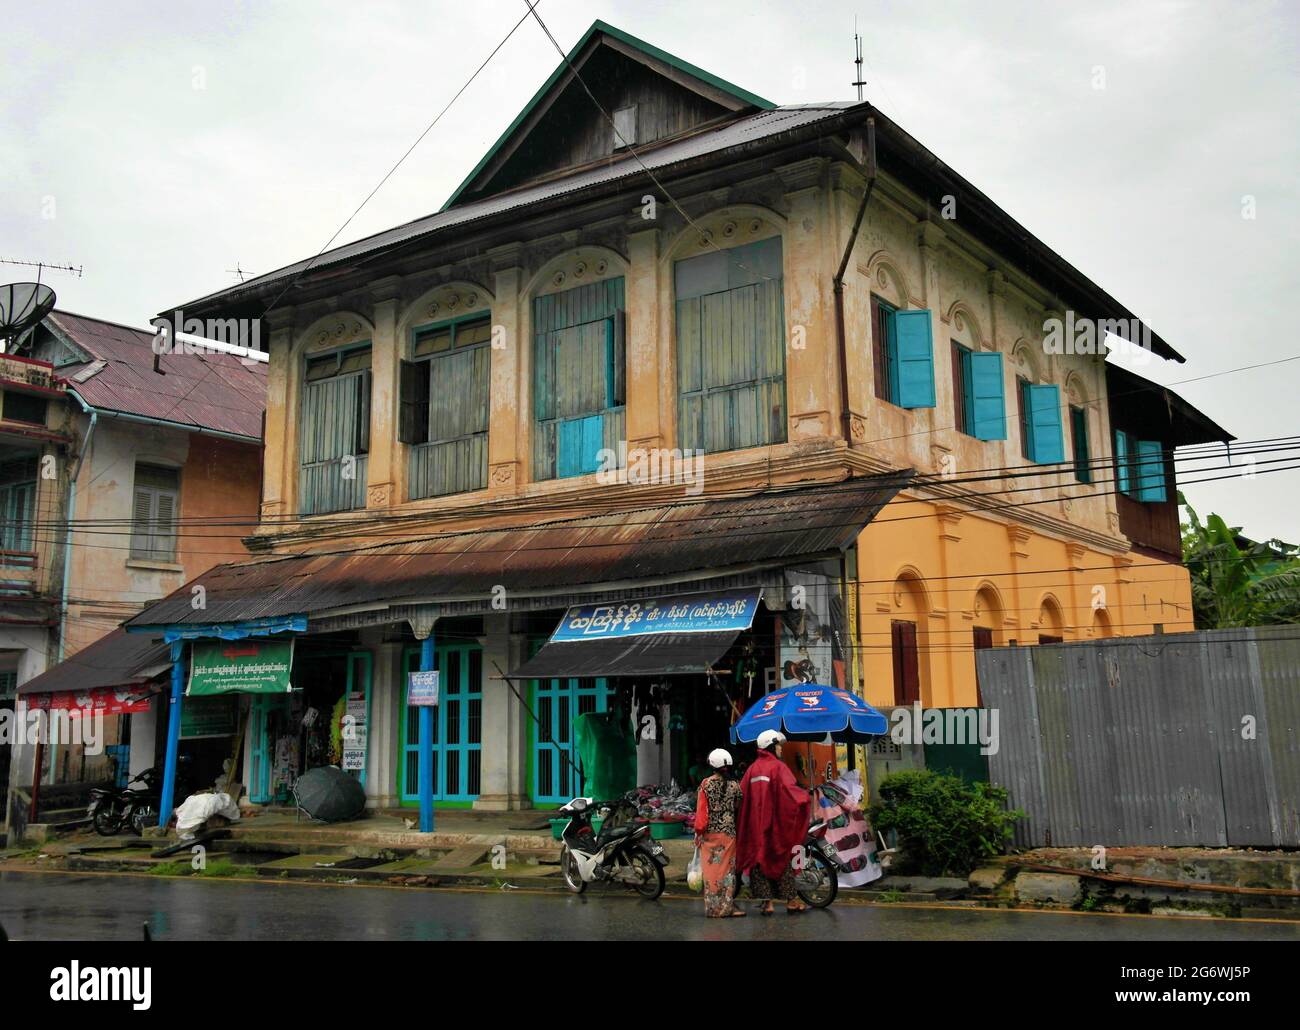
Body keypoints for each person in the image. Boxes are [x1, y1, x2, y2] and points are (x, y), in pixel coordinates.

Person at [737, 729, 811, 914]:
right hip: (776, 826)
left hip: (755, 826)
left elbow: (741, 795)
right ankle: (791, 902)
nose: (780, 749)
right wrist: (806, 796)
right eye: (778, 745)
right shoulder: (778, 767)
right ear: (771, 746)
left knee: (758, 862)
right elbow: (791, 793)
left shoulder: (752, 769)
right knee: (782, 860)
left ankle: (767, 904)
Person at [693, 748, 745, 917]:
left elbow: (701, 812)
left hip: (709, 834)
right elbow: (738, 806)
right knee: (727, 871)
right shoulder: (735, 785)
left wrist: (698, 833)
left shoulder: (705, 784)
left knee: (711, 871)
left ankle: (713, 908)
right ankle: (726, 907)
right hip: (728, 834)